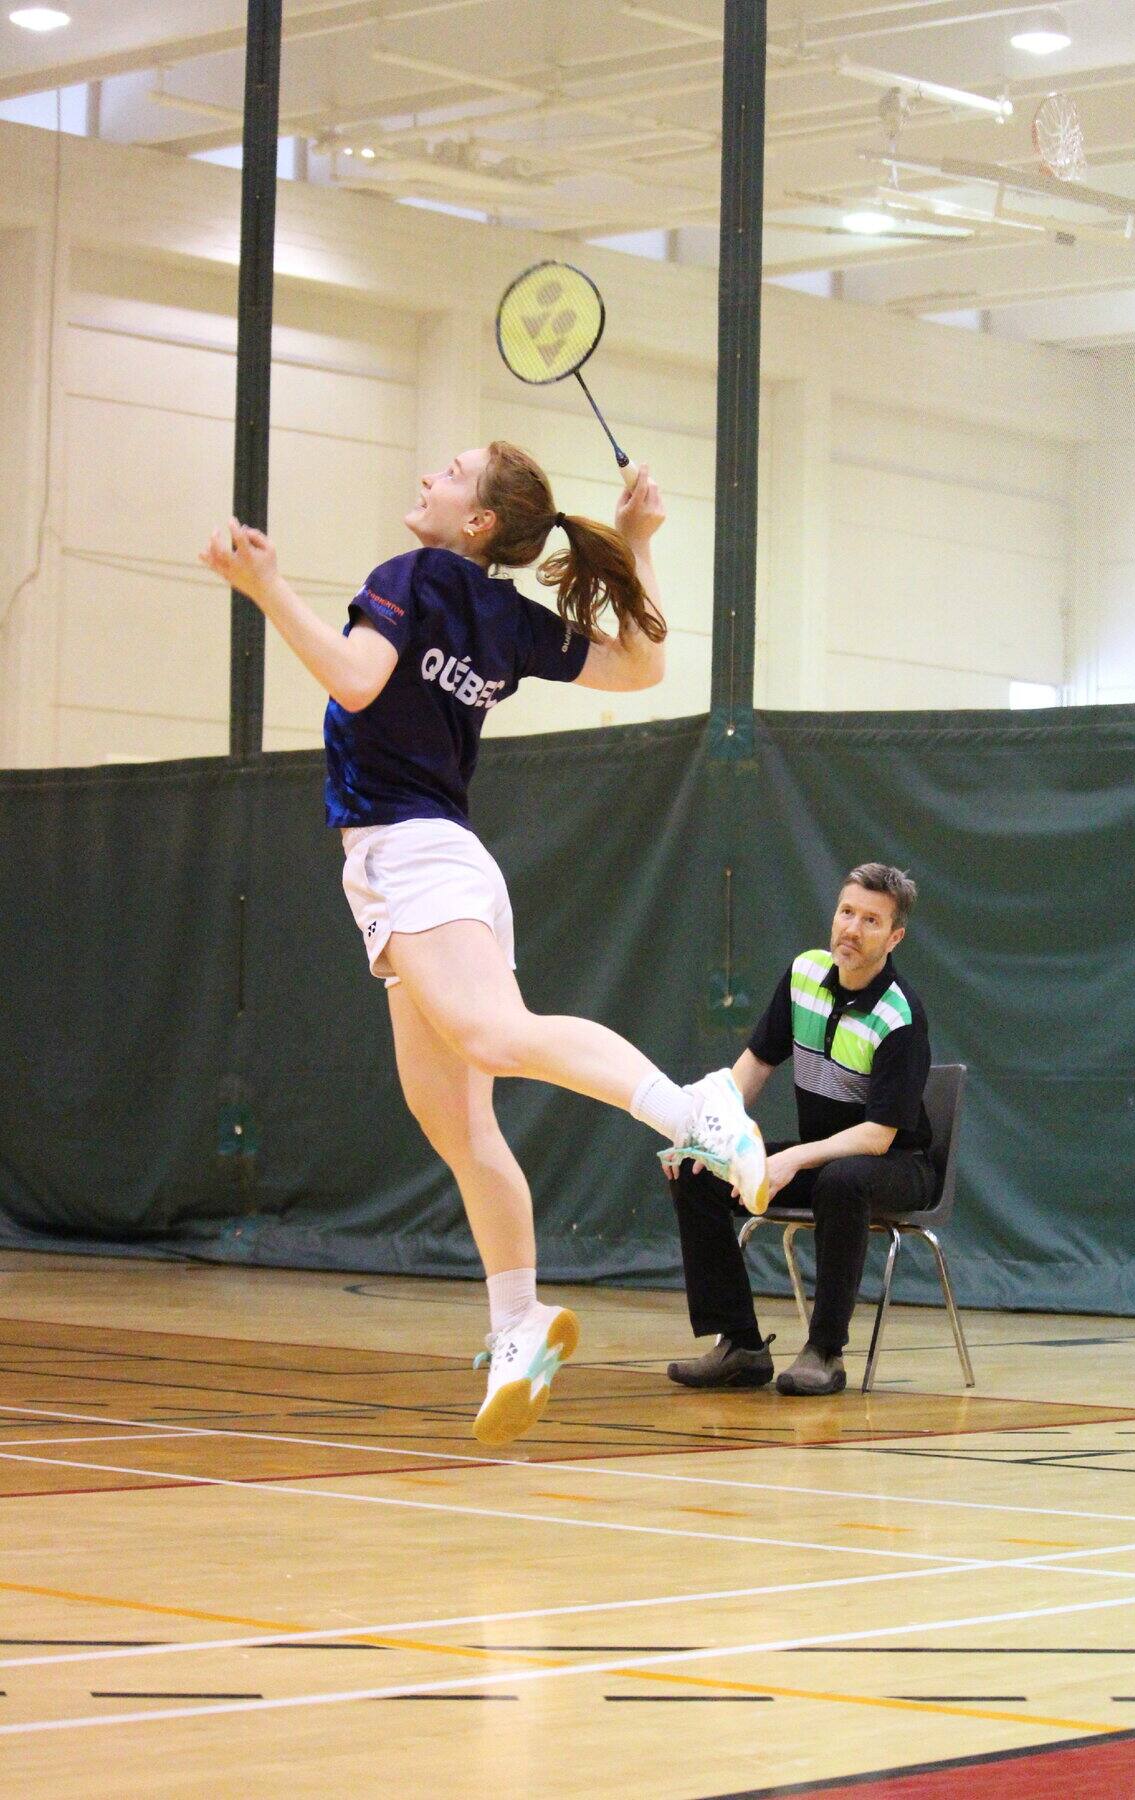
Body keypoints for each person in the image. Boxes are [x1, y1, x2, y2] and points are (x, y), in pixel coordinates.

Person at [200, 441, 768, 1447]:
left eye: (451, 471)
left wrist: (266, 585)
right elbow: (643, 664)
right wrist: (634, 545)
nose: (429, 474)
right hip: (415, 866)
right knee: (454, 1122)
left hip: (418, 855)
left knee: (493, 1035)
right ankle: (521, 1322)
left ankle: (696, 1108)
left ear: (476, 524)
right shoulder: (496, 614)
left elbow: (355, 681)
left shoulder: (408, 579)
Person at [663, 863, 936, 1397]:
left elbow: (877, 1137)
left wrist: (789, 1159)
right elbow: (751, 1069)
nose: (852, 929)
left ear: (894, 937)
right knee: (696, 1173)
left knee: (843, 1181)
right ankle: (741, 1344)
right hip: (824, 1158)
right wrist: (705, 1135)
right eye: (846, 912)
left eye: (871, 921)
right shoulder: (803, 976)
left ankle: (825, 1351)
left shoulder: (900, 1016)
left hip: (898, 1165)